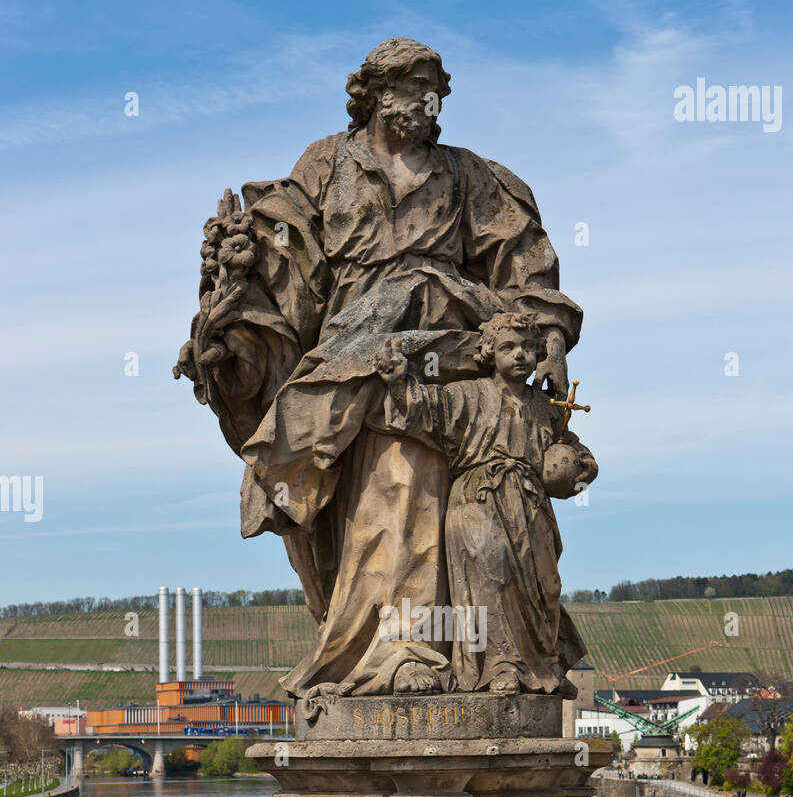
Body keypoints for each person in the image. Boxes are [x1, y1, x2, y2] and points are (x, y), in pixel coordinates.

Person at [175, 38, 585, 698]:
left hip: (445, 354)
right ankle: (383, 647)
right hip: (351, 350)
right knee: (365, 493)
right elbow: (285, 249)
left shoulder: (467, 175)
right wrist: (240, 267)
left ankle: (416, 650)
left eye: (437, 91)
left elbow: (525, 264)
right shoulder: (328, 163)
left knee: (414, 473)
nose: (427, 102)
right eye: (413, 87)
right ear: (375, 93)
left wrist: (550, 330)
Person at [376, 311, 597, 693]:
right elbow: (425, 409)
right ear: (490, 351)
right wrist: (399, 382)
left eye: (529, 348)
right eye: (508, 347)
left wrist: (582, 469)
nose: (520, 356)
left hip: (531, 507)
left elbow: (576, 451)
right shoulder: (469, 394)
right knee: (489, 579)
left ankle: (542, 669)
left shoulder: (546, 407)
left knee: (545, 585)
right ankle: (500, 666)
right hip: (478, 499)